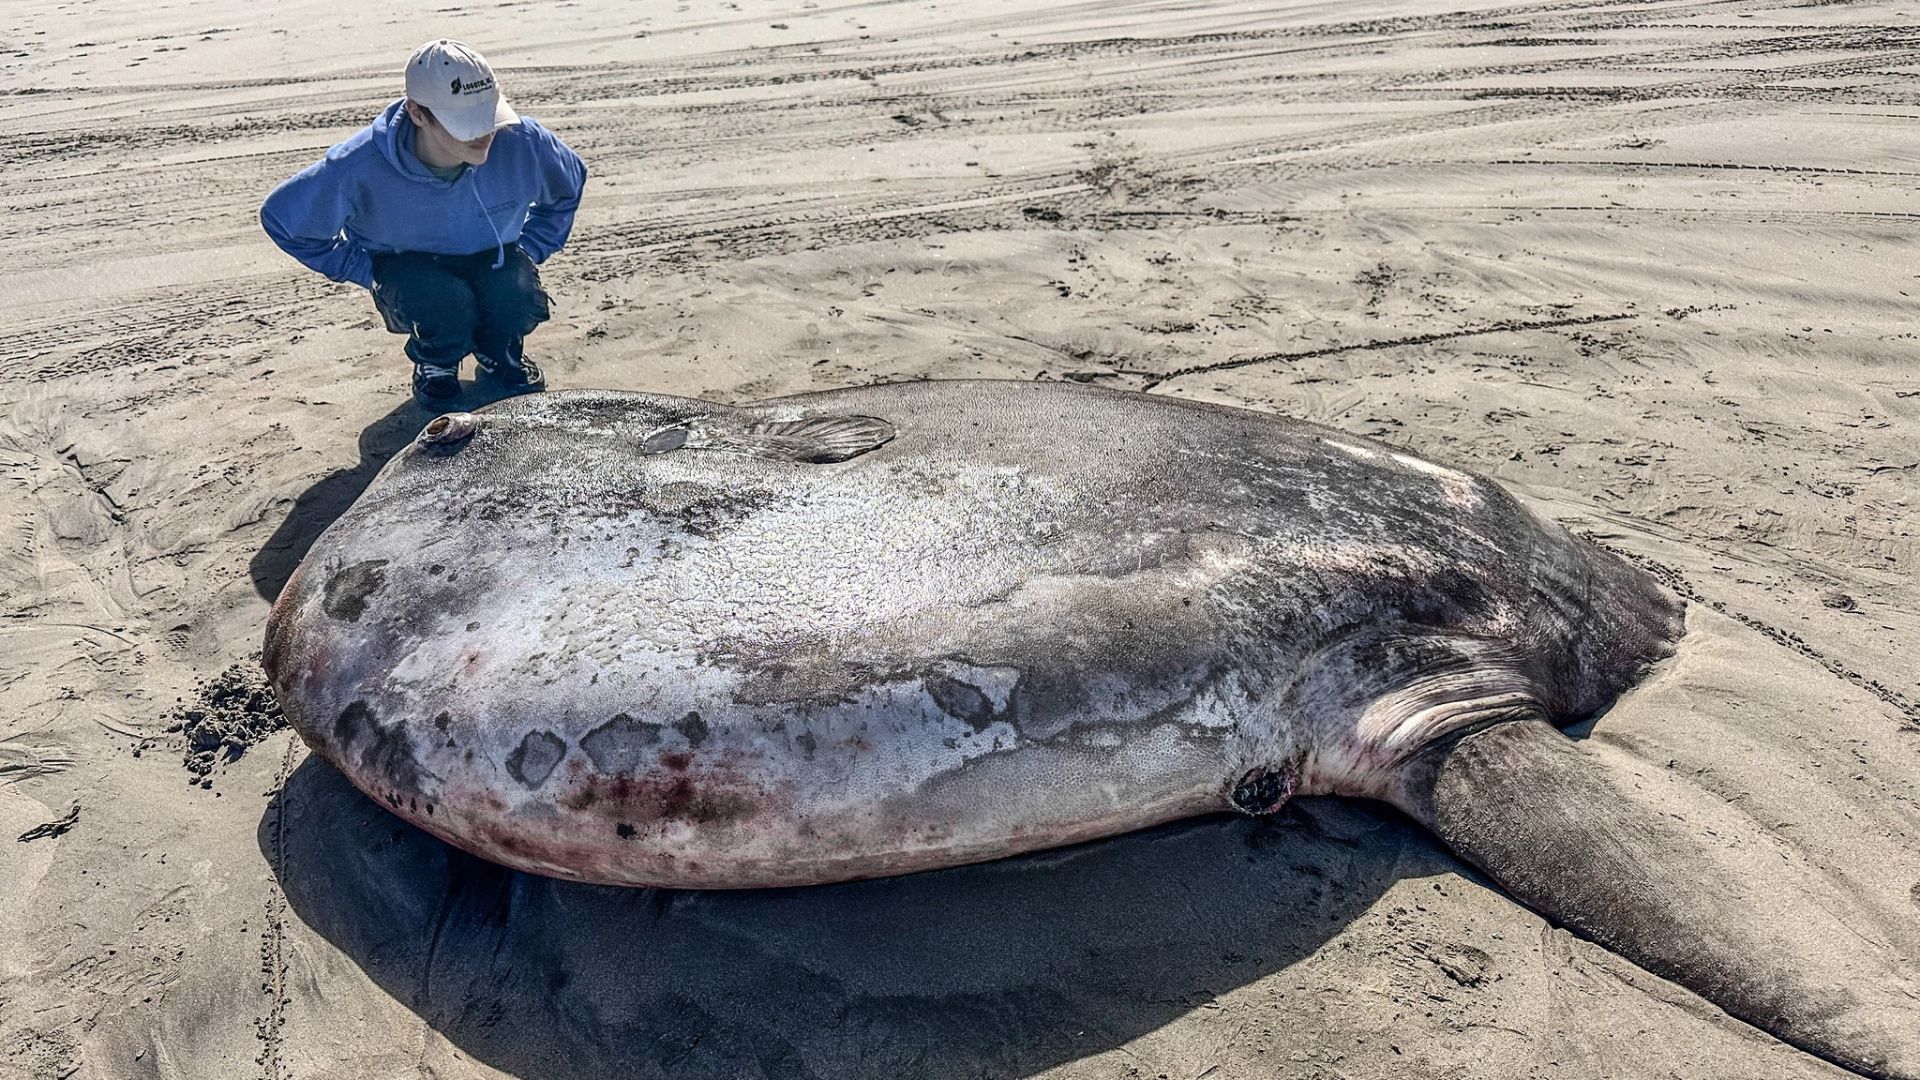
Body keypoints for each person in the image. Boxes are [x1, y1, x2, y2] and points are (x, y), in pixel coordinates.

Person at [261, 39, 587, 406]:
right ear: (418, 113)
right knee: (443, 305)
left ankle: (499, 353)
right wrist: (365, 270)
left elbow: (569, 185)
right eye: (465, 123)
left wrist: (532, 247)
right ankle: (436, 364)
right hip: (409, 268)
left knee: (515, 294)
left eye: (489, 116)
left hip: (494, 255)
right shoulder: (357, 166)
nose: (484, 135)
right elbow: (284, 221)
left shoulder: (524, 141)